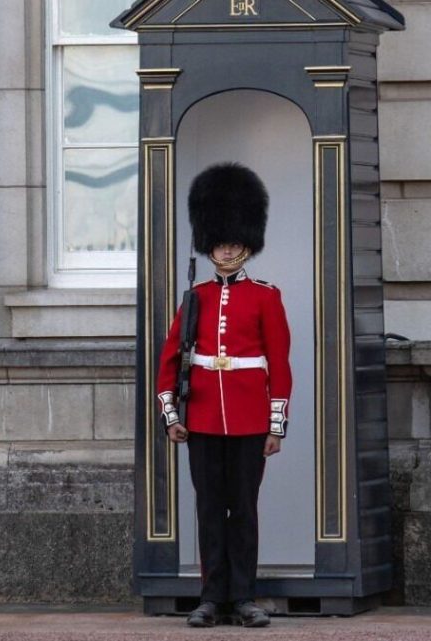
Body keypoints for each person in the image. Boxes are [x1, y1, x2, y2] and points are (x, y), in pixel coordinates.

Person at [155, 163, 292, 629]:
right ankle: (212, 597)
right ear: (209, 245)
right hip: (203, 419)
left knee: (244, 510)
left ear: (247, 245)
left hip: (251, 419)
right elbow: (170, 362)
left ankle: (245, 597)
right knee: (210, 509)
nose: (227, 249)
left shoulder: (266, 297)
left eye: (234, 242)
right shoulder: (194, 297)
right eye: (220, 242)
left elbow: (280, 364)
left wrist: (276, 425)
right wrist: (172, 414)